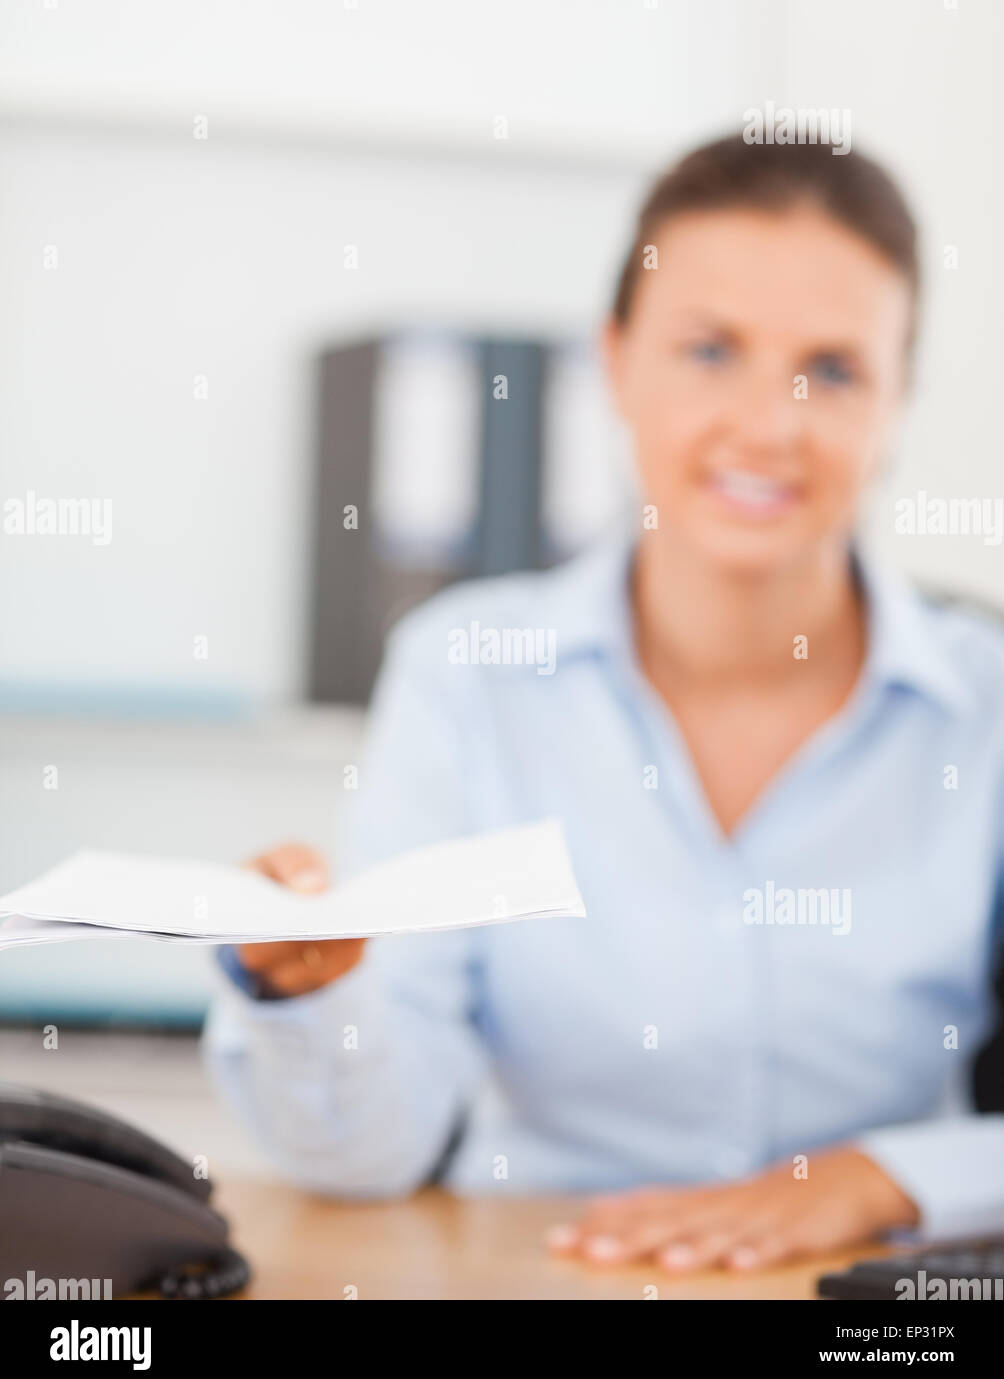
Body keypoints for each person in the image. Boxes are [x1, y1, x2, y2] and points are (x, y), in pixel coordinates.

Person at [203, 133, 1004, 1274]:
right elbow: (370, 1153)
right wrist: (302, 994)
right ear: (616, 362)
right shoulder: (465, 671)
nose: (767, 425)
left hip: (871, 1301)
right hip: (543, 1272)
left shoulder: (982, 702)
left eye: (830, 370)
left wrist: (881, 1177)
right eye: (708, 349)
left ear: (896, 405)